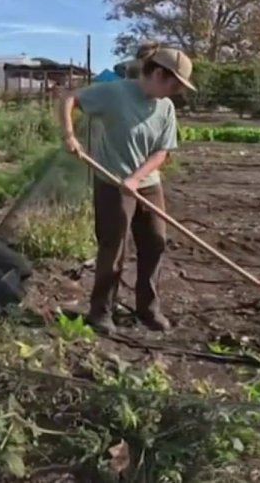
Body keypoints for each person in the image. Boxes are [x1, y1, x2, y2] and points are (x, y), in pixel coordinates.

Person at [57, 42, 195, 335]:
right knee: (113, 248)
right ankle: (101, 312)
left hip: (148, 186)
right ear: (158, 73)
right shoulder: (115, 92)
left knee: (155, 243)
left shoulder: (166, 107)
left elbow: (163, 152)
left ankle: (148, 310)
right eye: (175, 84)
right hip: (112, 185)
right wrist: (69, 135)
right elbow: (70, 99)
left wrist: (136, 178)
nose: (177, 91)